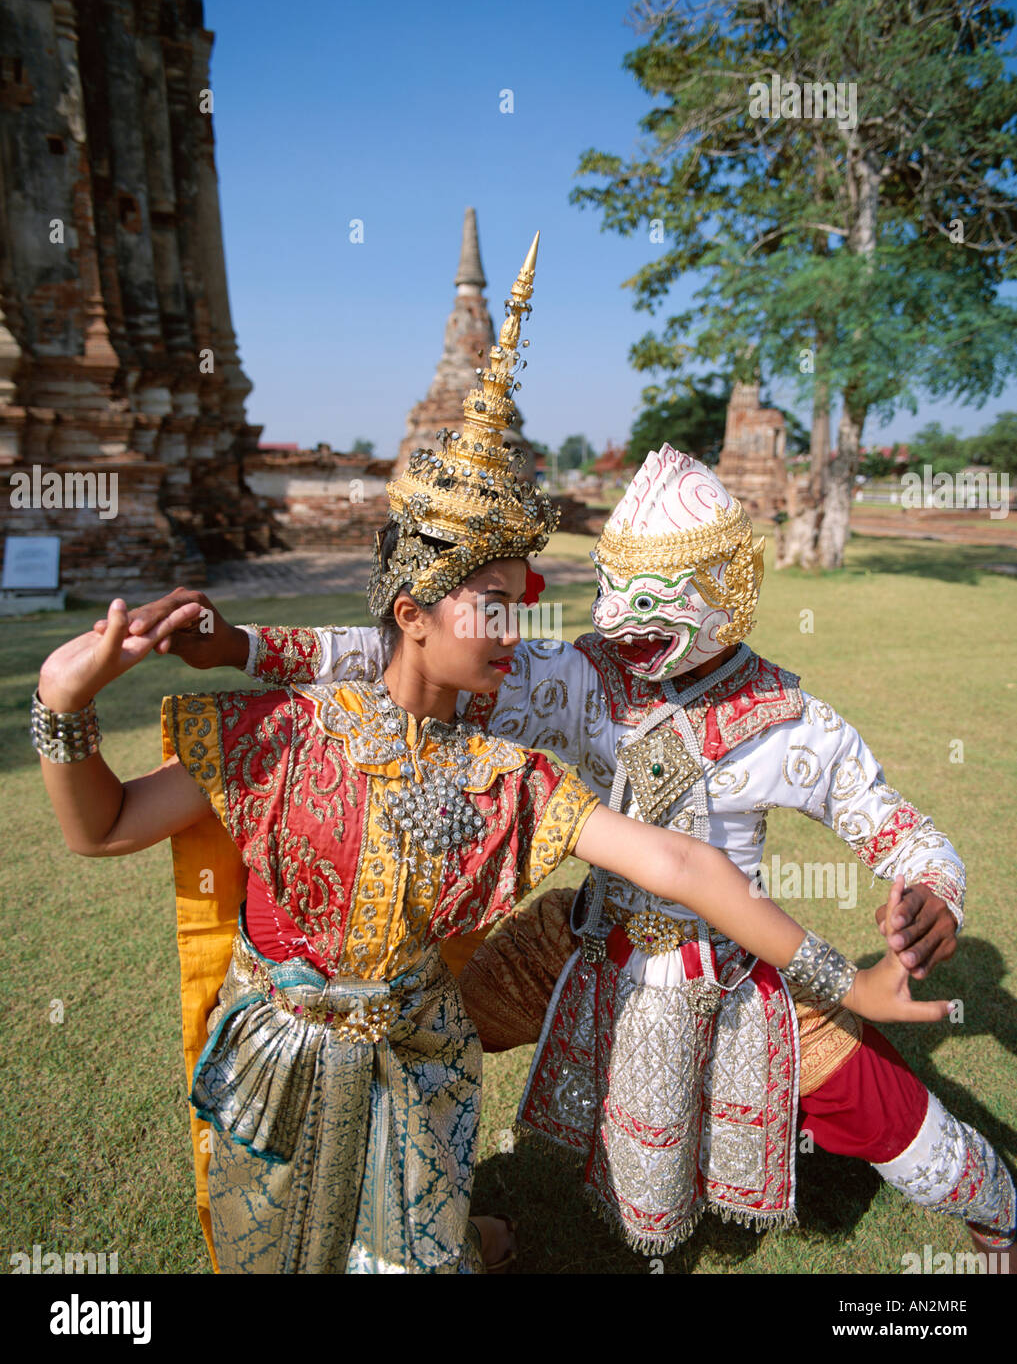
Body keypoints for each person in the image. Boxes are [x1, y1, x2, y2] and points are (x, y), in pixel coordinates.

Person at [35, 242, 946, 1277]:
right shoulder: (281, 735)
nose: (522, 624)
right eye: (496, 600)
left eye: (524, 597)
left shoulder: (505, 777)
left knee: (411, 1254)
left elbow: (687, 867)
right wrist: (62, 703)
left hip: (421, 1059)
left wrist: (847, 987)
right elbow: (99, 825)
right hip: (281, 1053)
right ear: (414, 612)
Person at [127, 447, 1015, 1267]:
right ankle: (411, 1222)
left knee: (883, 1112)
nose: (621, 621)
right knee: (409, 1042)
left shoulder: (787, 719)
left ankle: (996, 1206)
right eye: (612, 590)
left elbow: (890, 822)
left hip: (732, 960)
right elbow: (407, 647)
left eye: (652, 596)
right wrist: (245, 646)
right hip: (581, 936)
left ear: (721, 587)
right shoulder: (584, 676)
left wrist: (929, 887)